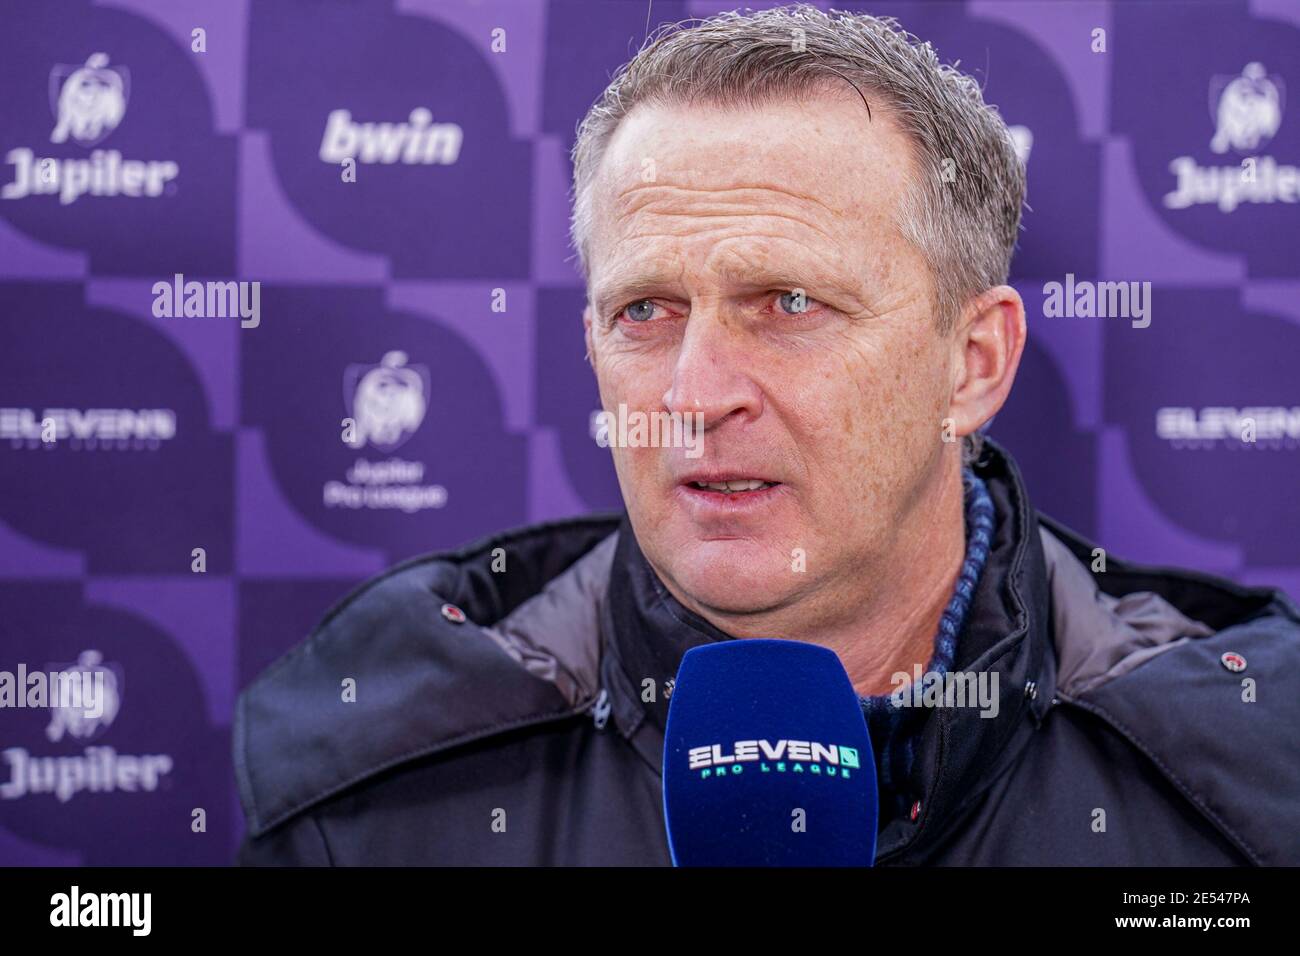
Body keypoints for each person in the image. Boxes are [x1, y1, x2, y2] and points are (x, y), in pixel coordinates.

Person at [233, 4, 1299, 865]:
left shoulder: (1248, 775)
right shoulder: (376, 780)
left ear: (972, 363)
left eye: (788, 303)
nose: (695, 393)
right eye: (644, 311)